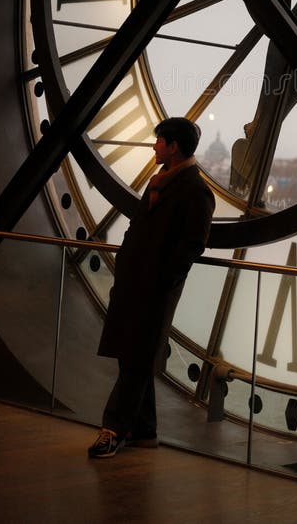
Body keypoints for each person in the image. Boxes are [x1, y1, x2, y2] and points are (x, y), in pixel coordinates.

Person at [88, 116, 215, 459]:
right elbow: (191, 245)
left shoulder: (162, 185)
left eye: (159, 141)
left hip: (143, 285)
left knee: (133, 360)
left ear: (173, 146)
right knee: (137, 358)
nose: (155, 145)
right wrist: (162, 280)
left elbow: (157, 236)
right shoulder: (195, 190)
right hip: (150, 287)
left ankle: (114, 429)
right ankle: (142, 431)